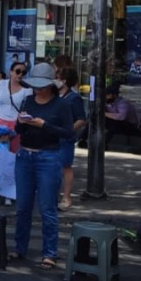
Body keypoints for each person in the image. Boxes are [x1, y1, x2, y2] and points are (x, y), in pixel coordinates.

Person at [12, 63, 74, 270]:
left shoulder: (61, 105)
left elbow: (69, 133)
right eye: (35, 86)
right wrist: (22, 122)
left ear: (51, 86)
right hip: (25, 154)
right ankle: (20, 247)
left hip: (48, 156)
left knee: (47, 208)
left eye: (41, 86)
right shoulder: (28, 100)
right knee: (22, 207)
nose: (37, 89)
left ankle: (49, 253)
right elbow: (18, 129)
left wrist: (44, 125)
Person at [0, 61, 32, 155]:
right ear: (11, 72)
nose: (20, 74)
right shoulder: (2, 84)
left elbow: (29, 110)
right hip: (0, 122)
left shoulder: (27, 90)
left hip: (16, 124)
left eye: (23, 72)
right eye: (18, 71)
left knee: (13, 153)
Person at [57, 68, 85, 211]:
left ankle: (66, 197)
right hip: (53, 136)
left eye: (58, 77)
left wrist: (68, 130)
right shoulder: (55, 95)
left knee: (65, 166)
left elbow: (81, 119)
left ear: (64, 80)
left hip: (65, 138)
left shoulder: (74, 98)